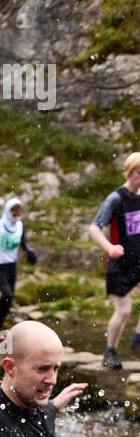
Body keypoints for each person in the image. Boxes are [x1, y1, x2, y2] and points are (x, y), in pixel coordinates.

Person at [88, 151, 140, 368]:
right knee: (124, 310)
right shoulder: (116, 198)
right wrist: (109, 247)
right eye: (139, 172)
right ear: (129, 173)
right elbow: (94, 227)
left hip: (139, 260)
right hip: (120, 263)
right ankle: (110, 351)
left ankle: (138, 339)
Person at [0, 197, 37, 338]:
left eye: (19, 211)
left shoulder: (20, 227)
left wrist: (30, 253)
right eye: (14, 211)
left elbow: (23, 243)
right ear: (7, 211)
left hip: (11, 267)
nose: (16, 214)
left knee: (9, 299)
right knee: (6, 295)